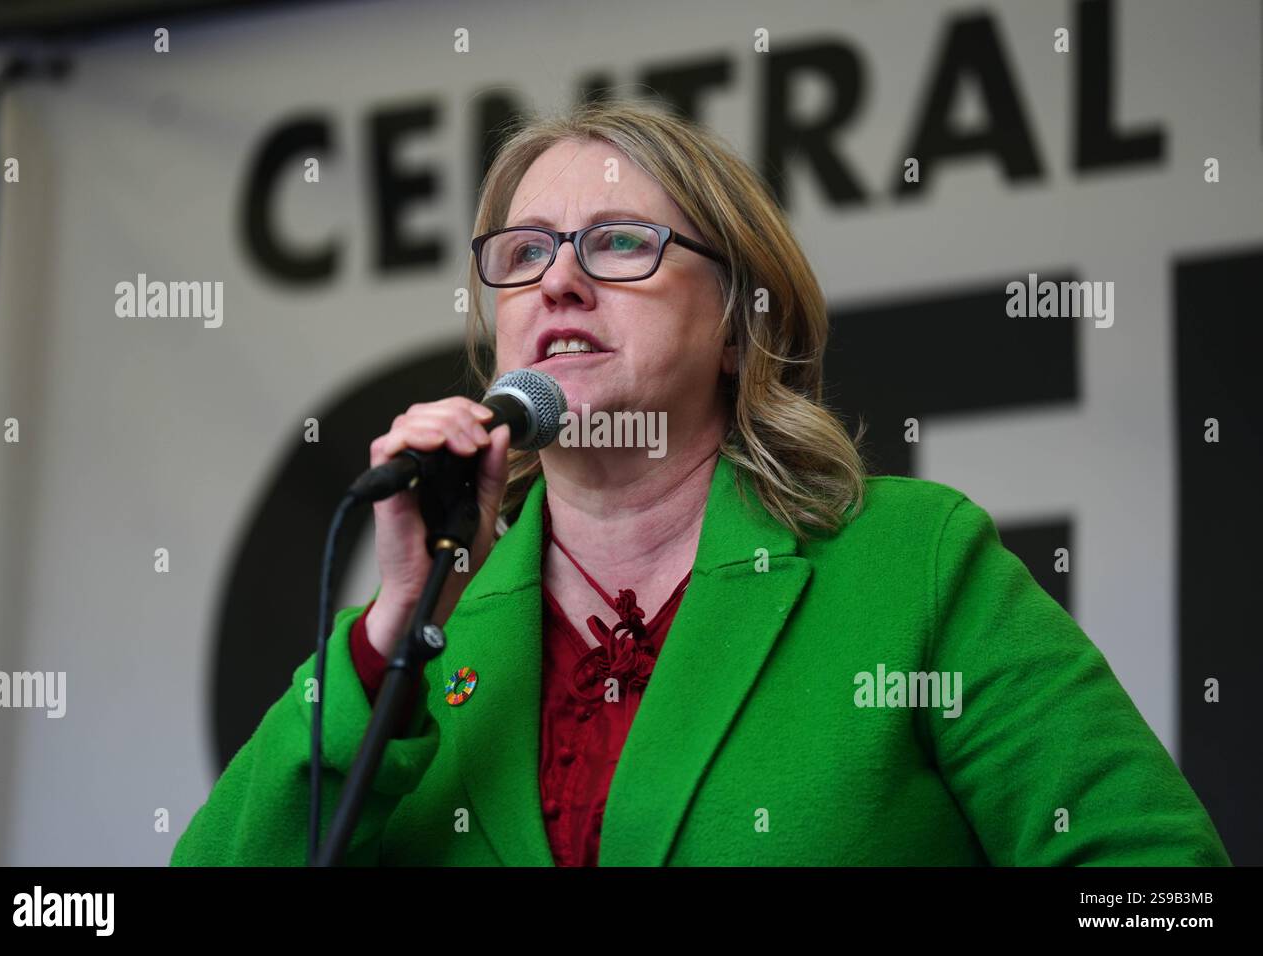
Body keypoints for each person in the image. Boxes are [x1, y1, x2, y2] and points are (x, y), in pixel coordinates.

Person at [171, 99, 1230, 867]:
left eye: (621, 243)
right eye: (524, 252)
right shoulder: (416, 641)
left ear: (739, 324)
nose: (559, 280)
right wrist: (391, 638)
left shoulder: (910, 562)